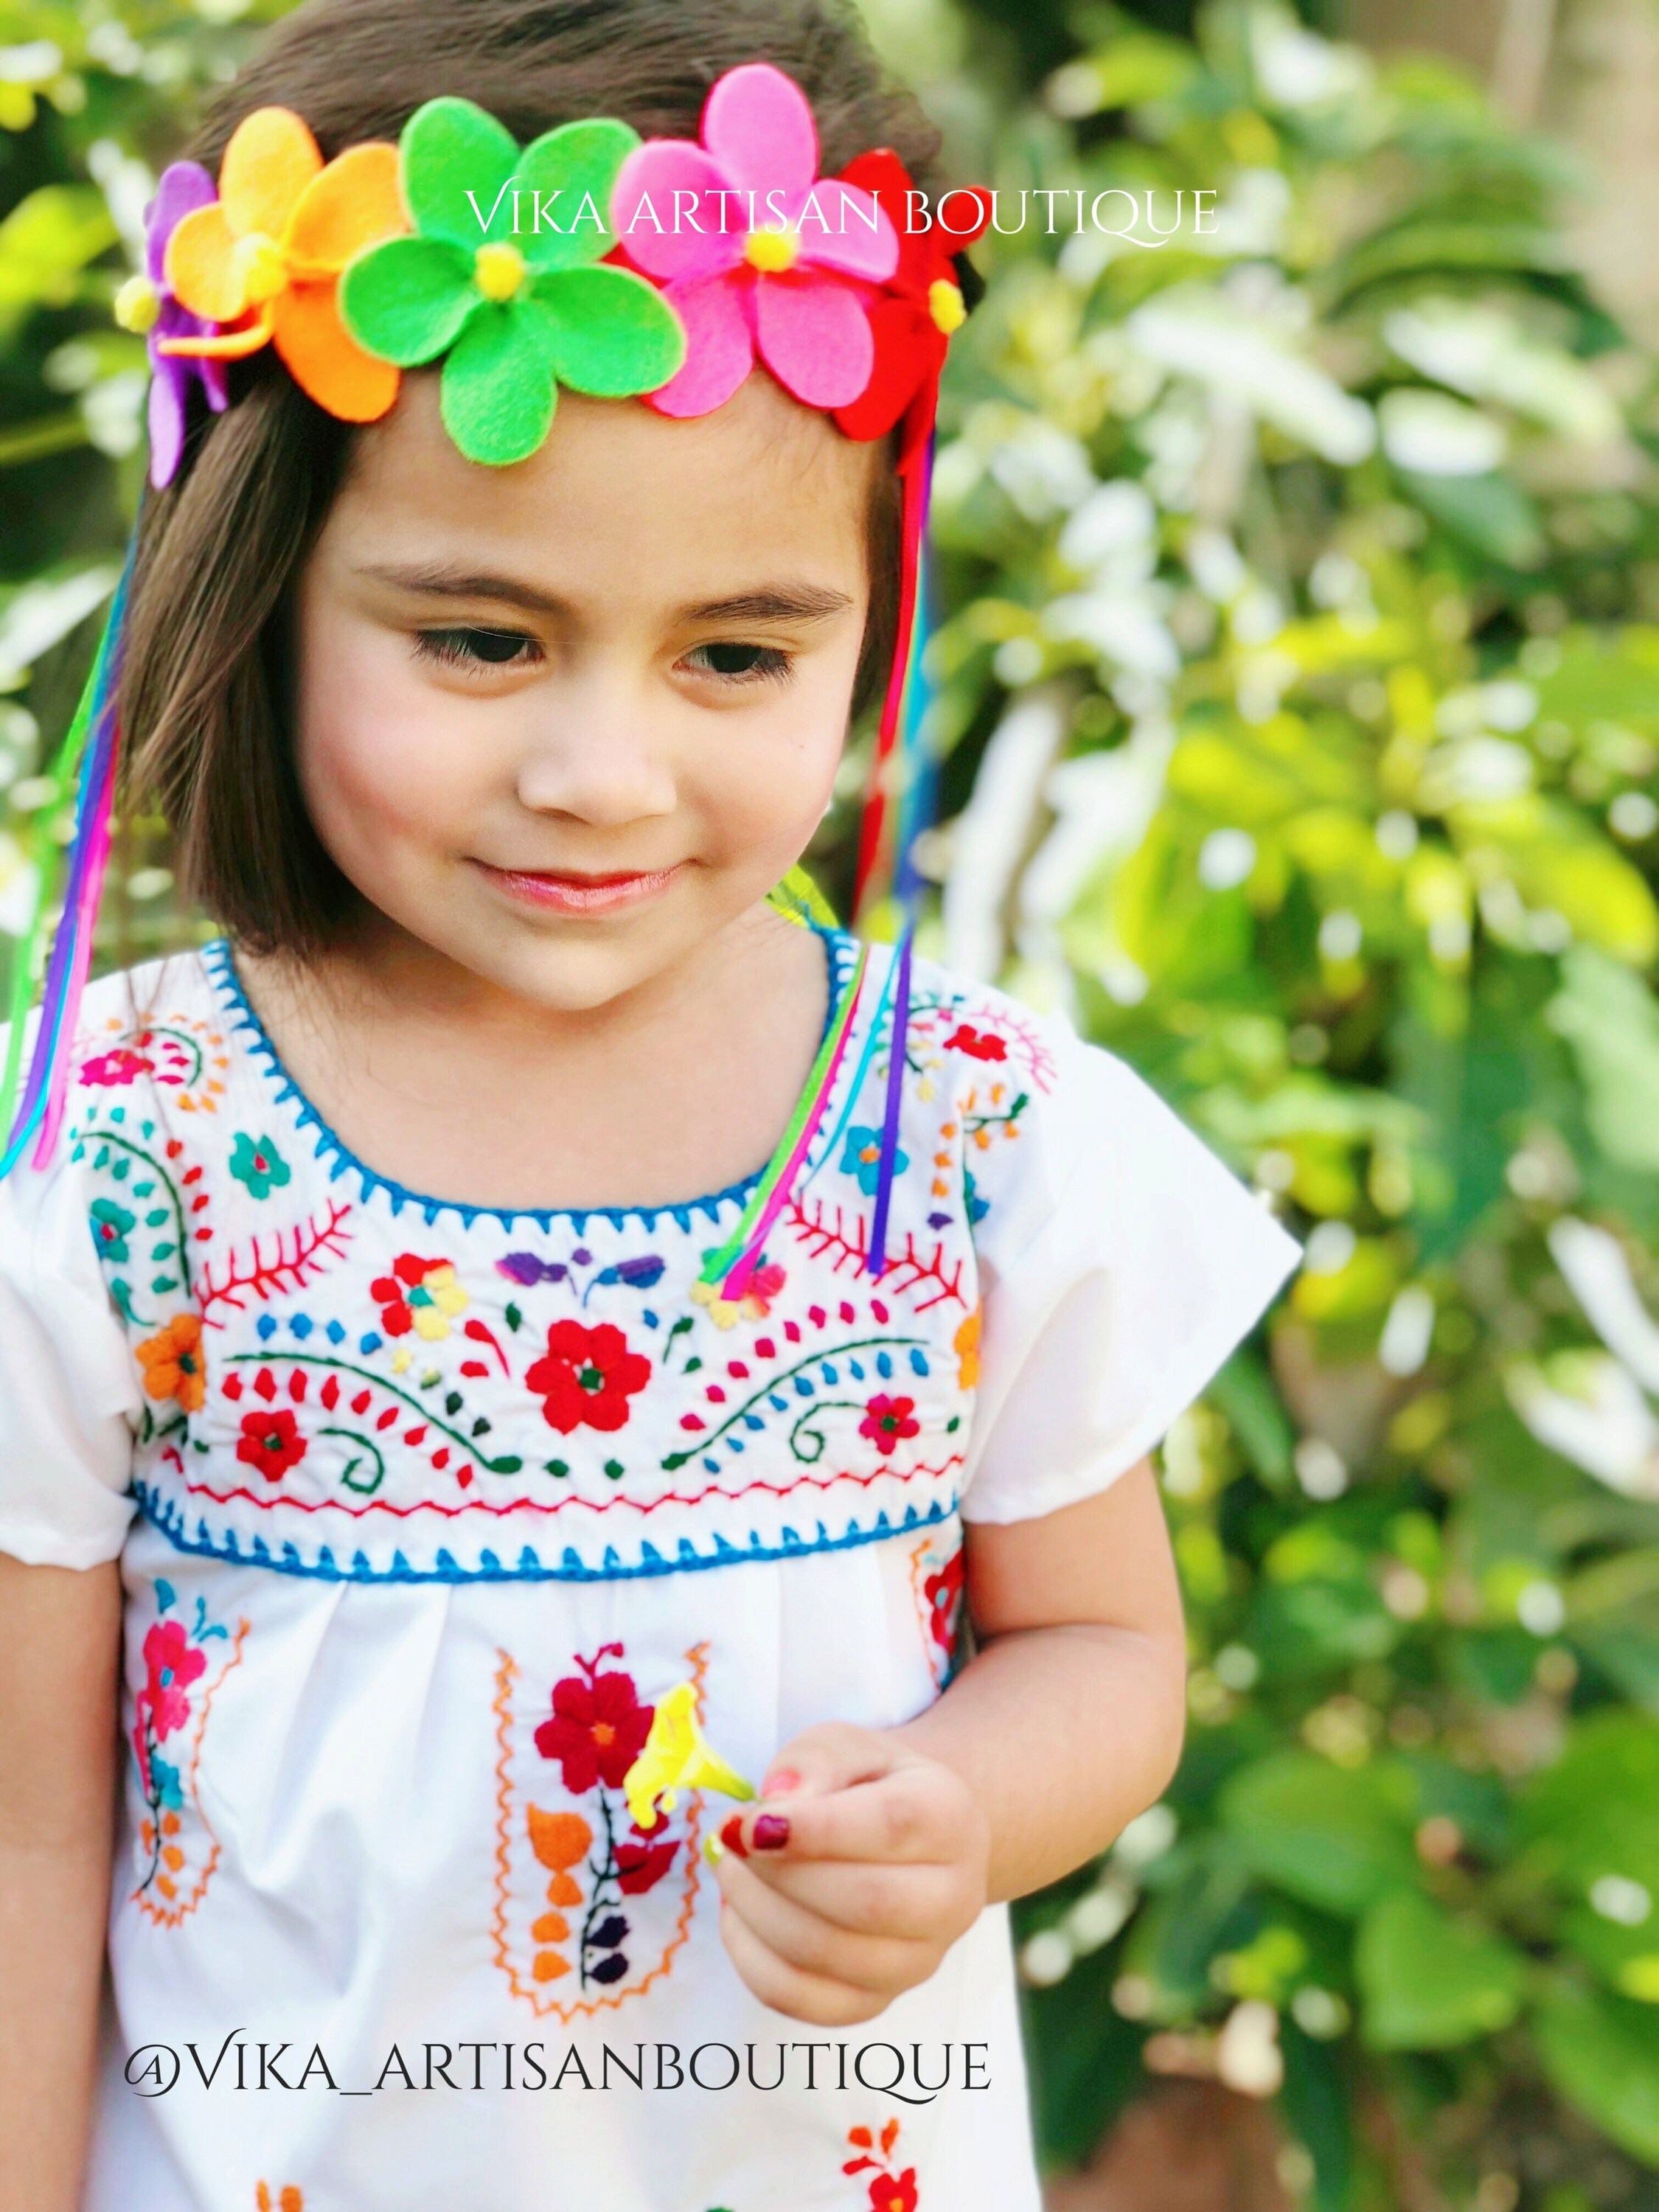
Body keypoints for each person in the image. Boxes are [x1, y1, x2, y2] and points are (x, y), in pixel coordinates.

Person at [0, 3, 1300, 2207]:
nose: (602, 775)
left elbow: (1099, 1648)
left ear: (864, 623)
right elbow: (30, 1824)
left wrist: (968, 1804)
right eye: (482, 640)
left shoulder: (960, 1131)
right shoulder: (125, 1158)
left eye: (737, 653)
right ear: (264, 586)